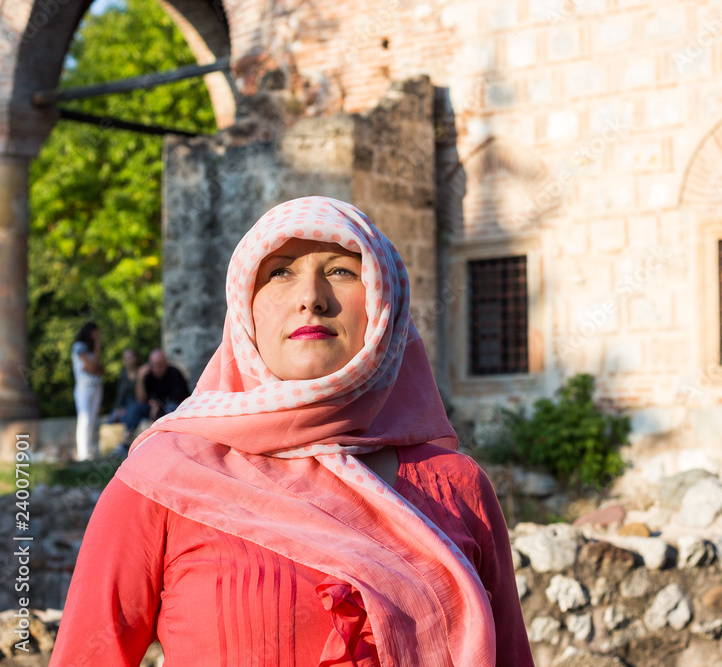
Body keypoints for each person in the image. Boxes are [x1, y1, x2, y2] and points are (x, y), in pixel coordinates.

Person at [50, 196, 533, 666]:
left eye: (342, 271)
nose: (311, 299)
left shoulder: (456, 485)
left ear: (384, 304)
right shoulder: (162, 482)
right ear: (246, 309)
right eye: (280, 271)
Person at [119, 348, 190, 444]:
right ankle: (126, 441)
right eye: (153, 365)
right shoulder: (149, 376)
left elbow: (178, 401)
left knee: (171, 407)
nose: (156, 369)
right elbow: (141, 399)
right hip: (154, 410)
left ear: (166, 362)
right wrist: (140, 377)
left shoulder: (175, 374)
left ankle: (170, 440)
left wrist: (158, 406)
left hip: (172, 411)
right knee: (135, 408)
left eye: (160, 365)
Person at [70, 321, 103, 460]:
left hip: (96, 386)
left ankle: (89, 451)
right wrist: (97, 347)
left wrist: (93, 368)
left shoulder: (88, 350)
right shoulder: (79, 347)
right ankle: (82, 453)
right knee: (84, 419)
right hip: (84, 387)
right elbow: (91, 366)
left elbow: (99, 370)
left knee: (92, 419)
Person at [107, 348, 140, 423]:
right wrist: (118, 408)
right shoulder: (123, 374)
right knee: (111, 420)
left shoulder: (141, 373)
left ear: (136, 358)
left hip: (136, 405)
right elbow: (120, 393)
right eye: (125, 359)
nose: (127, 361)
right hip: (124, 404)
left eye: (130, 358)